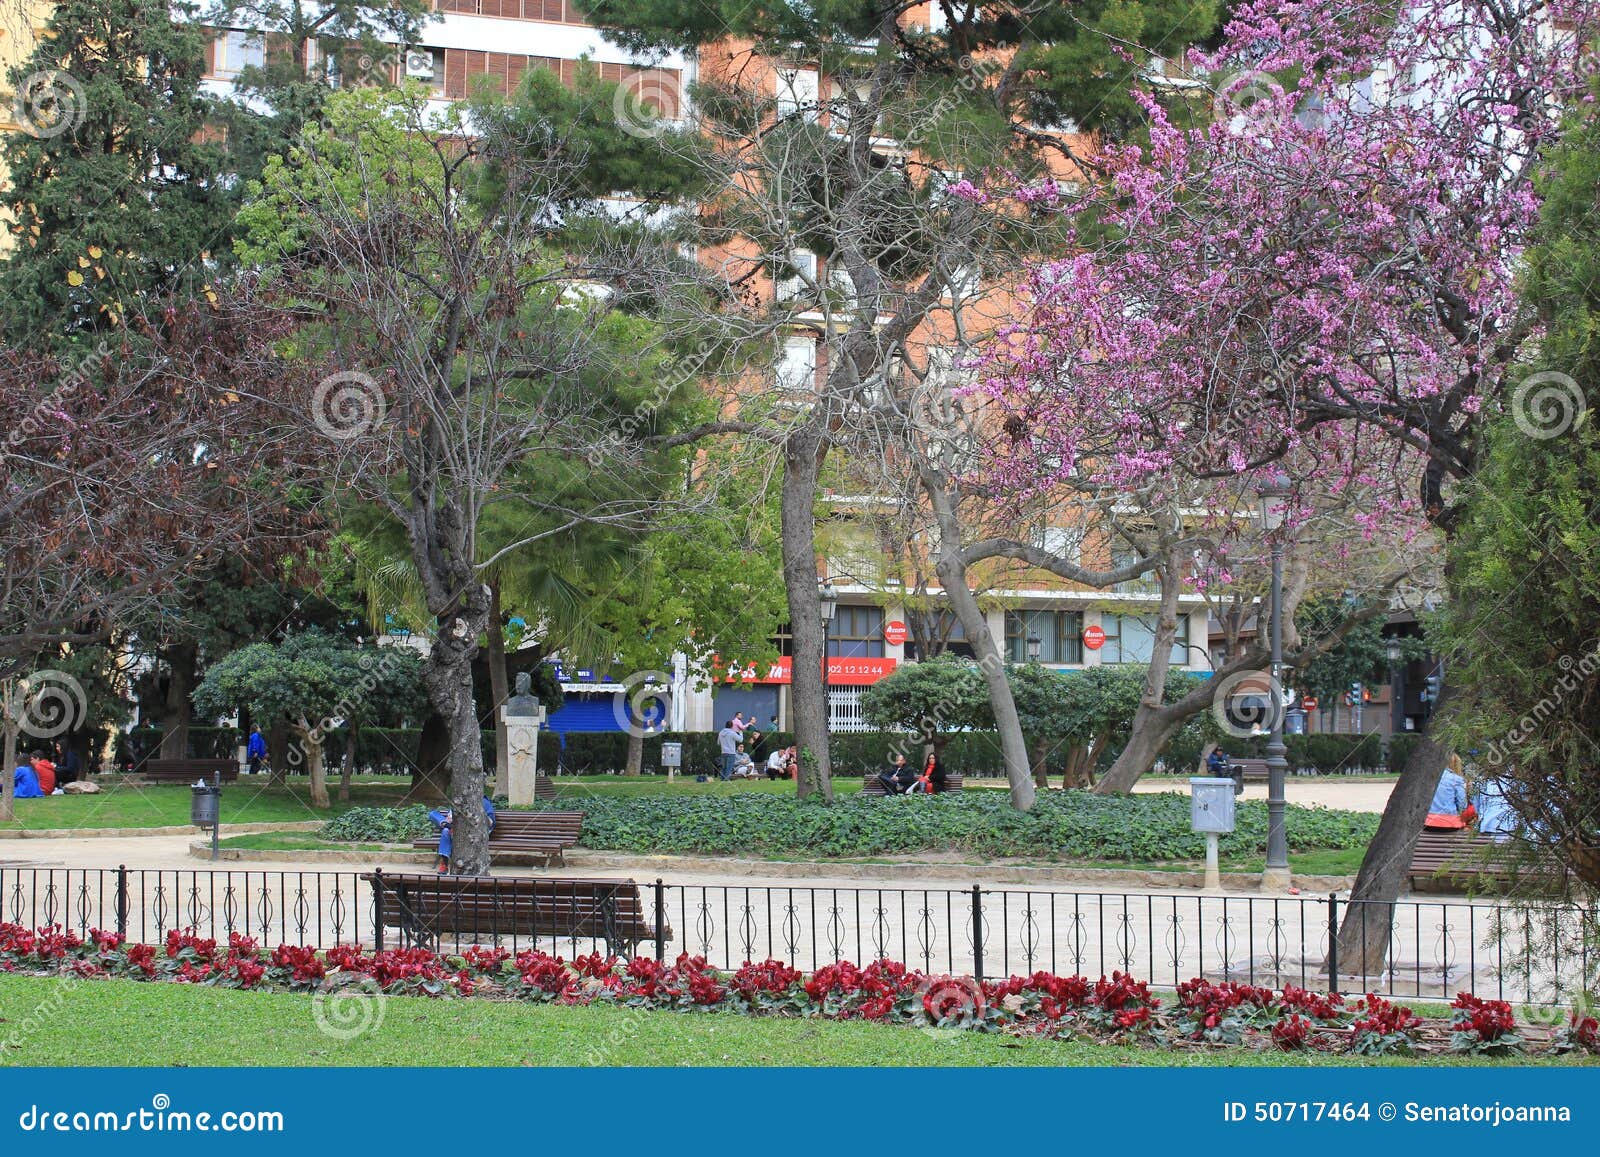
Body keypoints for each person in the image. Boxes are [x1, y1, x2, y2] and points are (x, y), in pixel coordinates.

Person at [427, 797, 497, 874]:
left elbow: (491, 823)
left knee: (445, 831)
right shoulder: (459, 798)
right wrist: (449, 818)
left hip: (473, 832)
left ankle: (444, 863)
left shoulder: (484, 802)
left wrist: (477, 818)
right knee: (433, 814)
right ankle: (445, 824)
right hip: (455, 829)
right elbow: (452, 814)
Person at [1424, 755, 1474, 830]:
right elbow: (1462, 805)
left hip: (1427, 823)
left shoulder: (1428, 778)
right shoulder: (1457, 779)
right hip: (1450, 824)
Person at [1473, 774, 1518, 841]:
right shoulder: (1514, 781)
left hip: (1488, 825)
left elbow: (1476, 804)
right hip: (1509, 825)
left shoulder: (1480, 782)